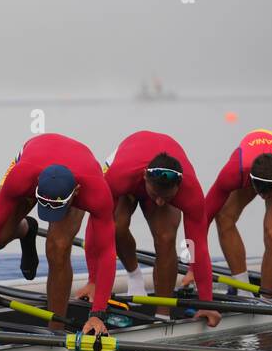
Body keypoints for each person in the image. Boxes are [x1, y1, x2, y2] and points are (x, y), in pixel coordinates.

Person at [0, 132, 116, 335]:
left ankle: (56, 329)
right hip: (33, 159)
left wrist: (97, 314)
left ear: (77, 192)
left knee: (58, 248)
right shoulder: (21, 176)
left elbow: (106, 252)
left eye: (55, 207)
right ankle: (26, 229)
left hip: (79, 169)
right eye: (44, 204)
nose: (49, 213)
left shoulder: (95, 191)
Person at [92, 130, 221, 327]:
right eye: (157, 195)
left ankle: (163, 314)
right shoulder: (118, 177)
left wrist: (206, 300)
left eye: (167, 198)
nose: (160, 202)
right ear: (145, 177)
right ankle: (135, 278)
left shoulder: (191, 191)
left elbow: (196, 244)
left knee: (166, 238)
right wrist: (94, 281)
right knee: (115, 227)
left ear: (180, 185)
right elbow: (97, 226)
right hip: (127, 174)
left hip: (158, 175)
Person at [203, 129, 272, 304]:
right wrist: (194, 265)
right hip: (251, 161)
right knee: (224, 217)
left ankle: (266, 300)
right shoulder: (234, 172)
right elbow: (202, 219)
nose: (263, 197)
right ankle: (243, 291)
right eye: (259, 191)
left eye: (268, 192)